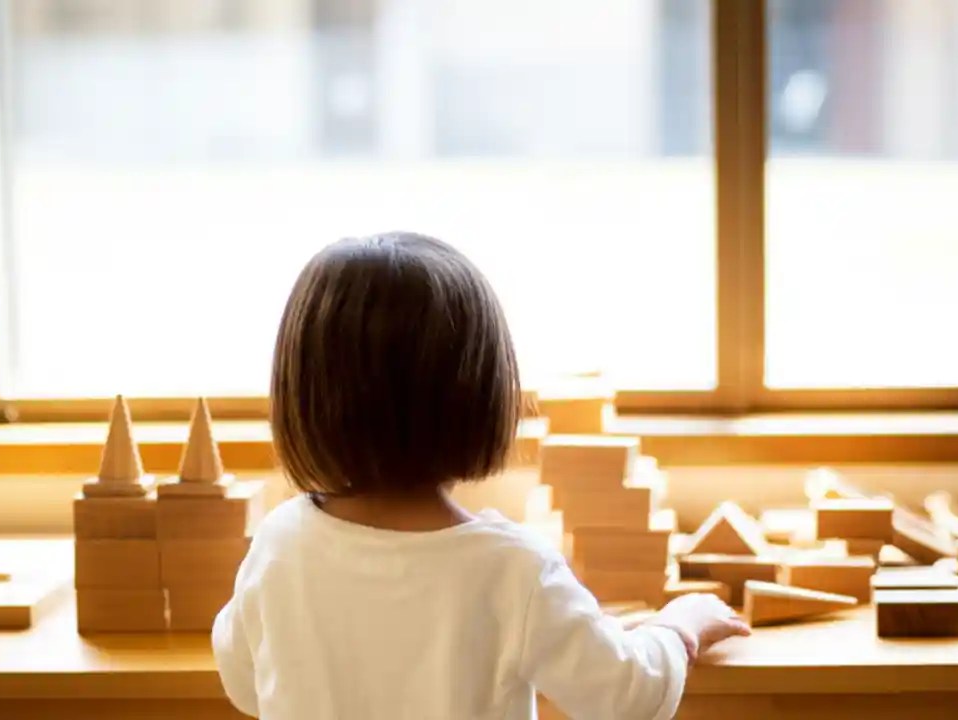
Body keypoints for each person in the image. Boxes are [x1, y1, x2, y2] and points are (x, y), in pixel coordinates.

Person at [212, 232, 750, 719]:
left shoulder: (280, 546)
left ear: (302, 397)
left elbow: (244, 680)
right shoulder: (512, 570)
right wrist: (679, 626)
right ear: (480, 398)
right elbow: (627, 693)